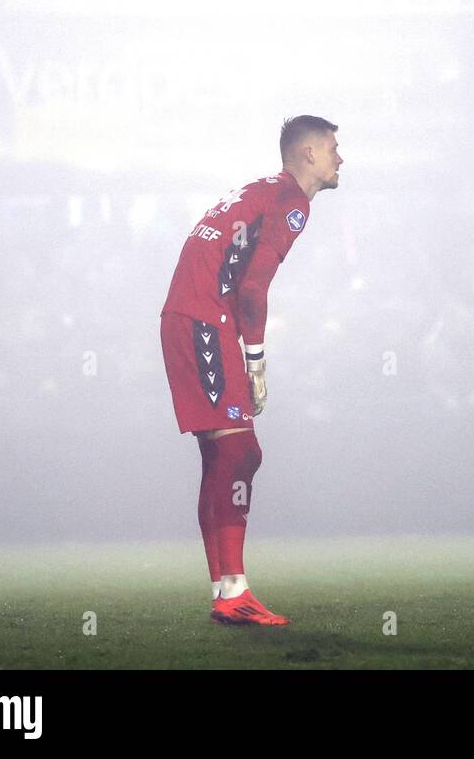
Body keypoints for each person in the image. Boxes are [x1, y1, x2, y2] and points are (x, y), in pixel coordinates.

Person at [159, 115, 343, 625]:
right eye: (332, 147)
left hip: (187, 313)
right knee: (241, 450)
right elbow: (253, 288)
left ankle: (225, 588)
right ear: (307, 154)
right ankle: (234, 592)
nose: (340, 158)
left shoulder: (261, 191)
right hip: (204, 316)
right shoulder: (291, 202)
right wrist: (256, 360)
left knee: (222, 457)